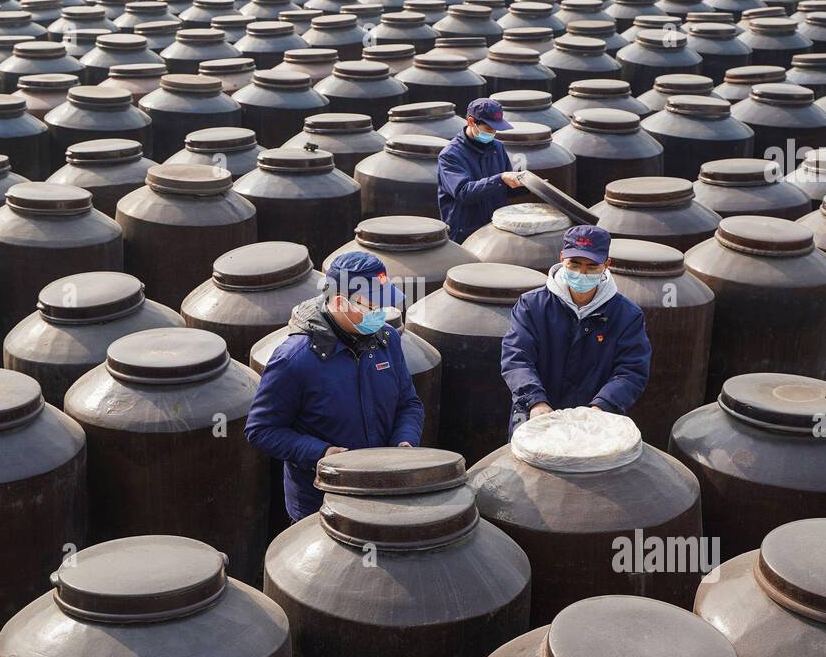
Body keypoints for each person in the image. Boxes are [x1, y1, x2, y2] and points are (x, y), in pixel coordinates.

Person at [245, 251, 425, 522]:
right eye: (371, 307)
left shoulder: (387, 340)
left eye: (383, 306)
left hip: (383, 491)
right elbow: (261, 430)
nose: (380, 314)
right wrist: (321, 454)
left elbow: (408, 403)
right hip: (321, 505)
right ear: (340, 302)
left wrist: (405, 441)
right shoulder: (296, 359)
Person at [500, 224, 651, 434]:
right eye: (575, 263)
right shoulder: (532, 306)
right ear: (562, 258)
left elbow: (631, 371)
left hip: (596, 424)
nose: (582, 272)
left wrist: (602, 406)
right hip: (534, 416)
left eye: (592, 266)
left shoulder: (626, 315)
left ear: (607, 264)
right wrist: (535, 402)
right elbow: (517, 358)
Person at [437, 97, 528, 245]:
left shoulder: (497, 147)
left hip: (494, 230)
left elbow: (505, 187)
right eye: (489, 129)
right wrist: (500, 178)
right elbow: (463, 192)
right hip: (464, 233)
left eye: (495, 129)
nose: (492, 133)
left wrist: (526, 184)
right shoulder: (450, 155)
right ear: (471, 122)